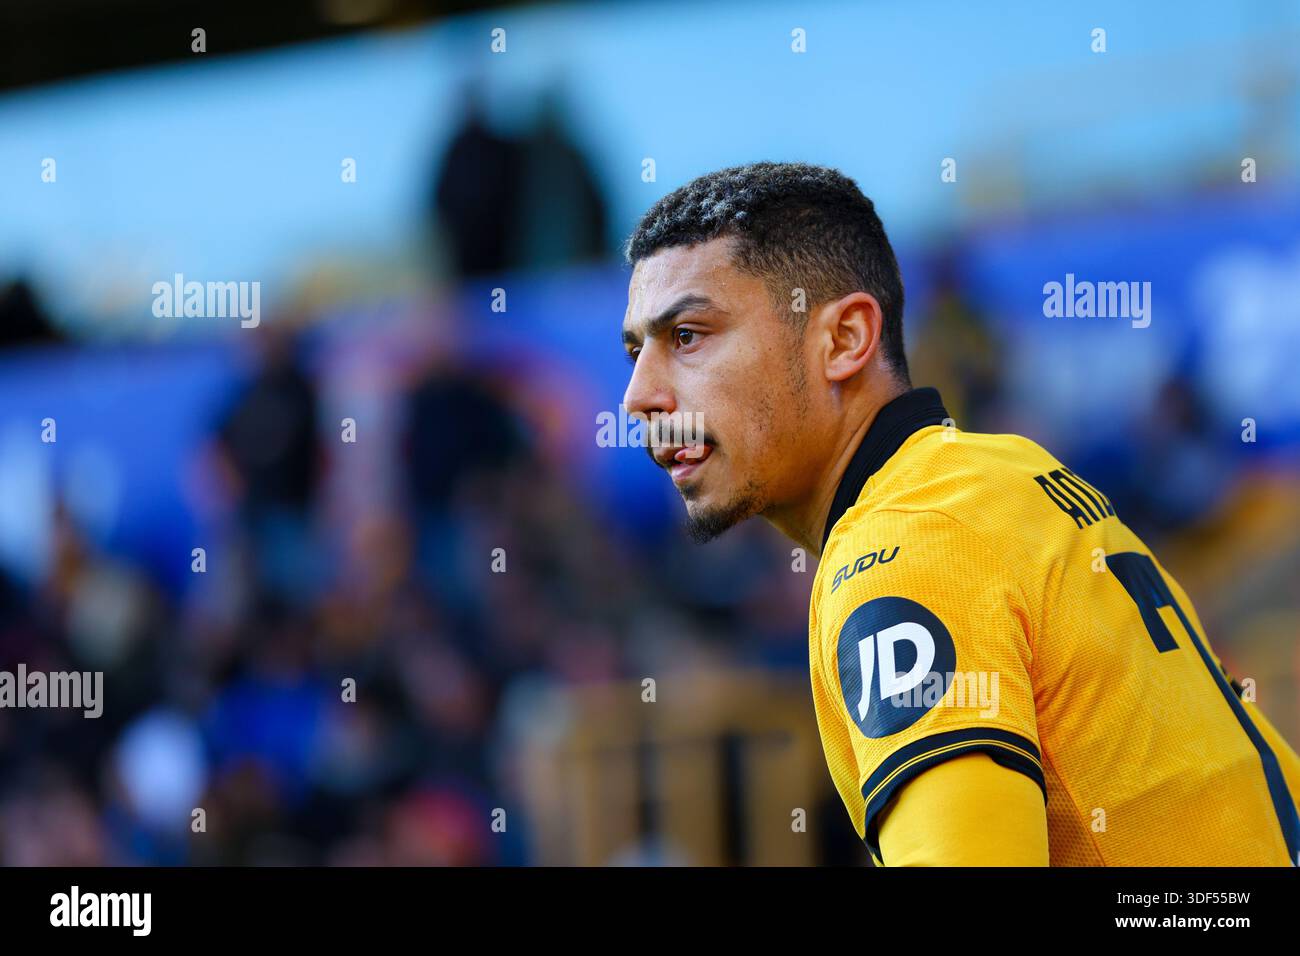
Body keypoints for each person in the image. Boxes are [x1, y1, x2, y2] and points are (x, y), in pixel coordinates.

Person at [618, 162, 1300, 866]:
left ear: (846, 339)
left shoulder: (906, 544)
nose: (639, 396)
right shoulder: (1007, 470)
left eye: (689, 336)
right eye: (636, 351)